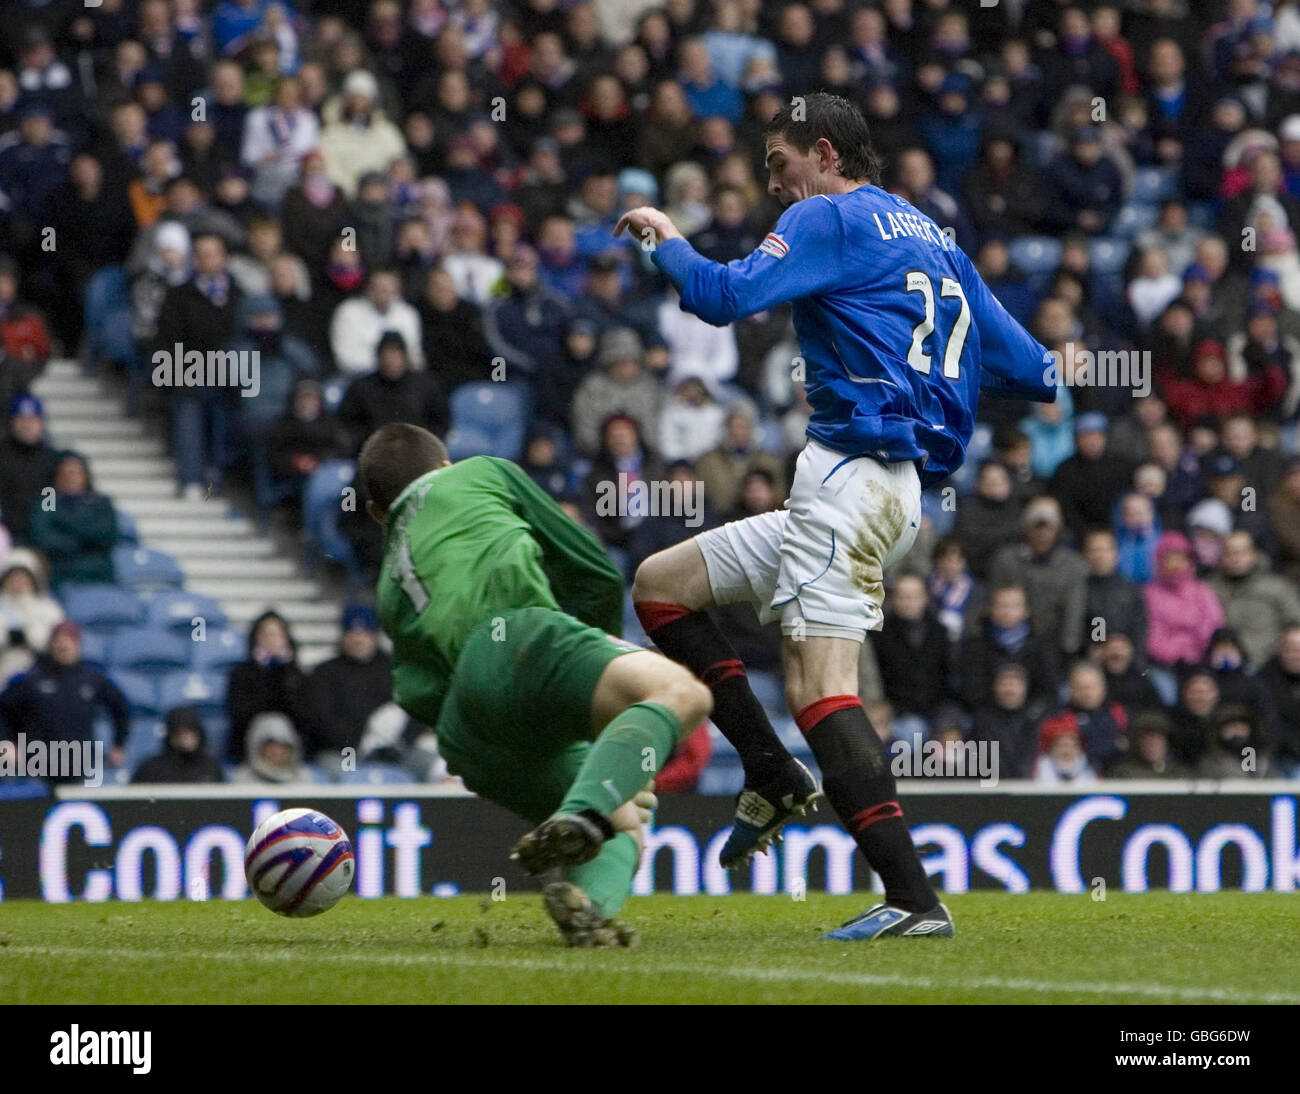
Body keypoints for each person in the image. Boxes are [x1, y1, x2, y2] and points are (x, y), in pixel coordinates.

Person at [624, 93, 1056, 940]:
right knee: (660, 588)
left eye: (779, 165)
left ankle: (913, 899)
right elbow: (1037, 371)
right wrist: (936, 376)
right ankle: (770, 768)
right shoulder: (937, 239)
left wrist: (662, 238)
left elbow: (719, 296)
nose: (774, 185)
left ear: (824, 153)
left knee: (823, 687)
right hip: (886, 495)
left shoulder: (832, 217)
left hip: (849, 482)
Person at [359, 423, 710, 946]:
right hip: (516, 639)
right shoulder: (482, 472)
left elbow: (415, 693)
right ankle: (585, 813)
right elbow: (594, 570)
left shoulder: (387, 585)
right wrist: (593, 688)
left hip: (465, 732)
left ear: (376, 514)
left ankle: (587, 911)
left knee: (623, 819)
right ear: (444, 466)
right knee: (685, 696)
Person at [0, 622, 128, 781]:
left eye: (69, 642)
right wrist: (7, 742)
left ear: (78, 646)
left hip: (78, 766)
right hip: (36, 765)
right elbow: (4, 710)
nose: (64, 646)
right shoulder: (30, 679)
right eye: (59, 641)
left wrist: (119, 744)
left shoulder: (92, 679)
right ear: (51, 645)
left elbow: (120, 708)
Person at [300, 604, 402, 765]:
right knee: (348, 775)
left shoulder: (394, 670)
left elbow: (411, 713)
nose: (358, 639)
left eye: (364, 633)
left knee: (428, 765)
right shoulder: (324, 673)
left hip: (391, 749)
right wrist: (357, 744)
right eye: (352, 633)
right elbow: (322, 720)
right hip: (343, 750)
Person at [224, 610, 306, 763]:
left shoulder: (297, 675)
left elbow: (303, 715)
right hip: (248, 748)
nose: (272, 640)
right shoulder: (241, 673)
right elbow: (239, 713)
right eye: (266, 634)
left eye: (277, 634)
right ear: (256, 638)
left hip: (291, 749)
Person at [26, 453, 118, 586]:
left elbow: (108, 536)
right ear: (56, 476)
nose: (71, 478)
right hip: (62, 570)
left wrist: (66, 526)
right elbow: (43, 537)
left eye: (76, 473)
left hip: (99, 572)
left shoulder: (99, 501)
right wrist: (85, 541)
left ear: (85, 476)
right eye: (65, 473)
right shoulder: (49, 499)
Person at [0, 548, 63, 688]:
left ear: (33, 578)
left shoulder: (48, 608)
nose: (18, 581)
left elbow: (55, 642)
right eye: (13, 576)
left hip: (38, 673)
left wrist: (27, 636)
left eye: (23, 576)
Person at [132, 706, 225, 784]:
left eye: (192, 732)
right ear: (170, 736)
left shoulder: (211, 767)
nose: (187, 738)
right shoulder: (151, 769)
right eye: (180, 733)